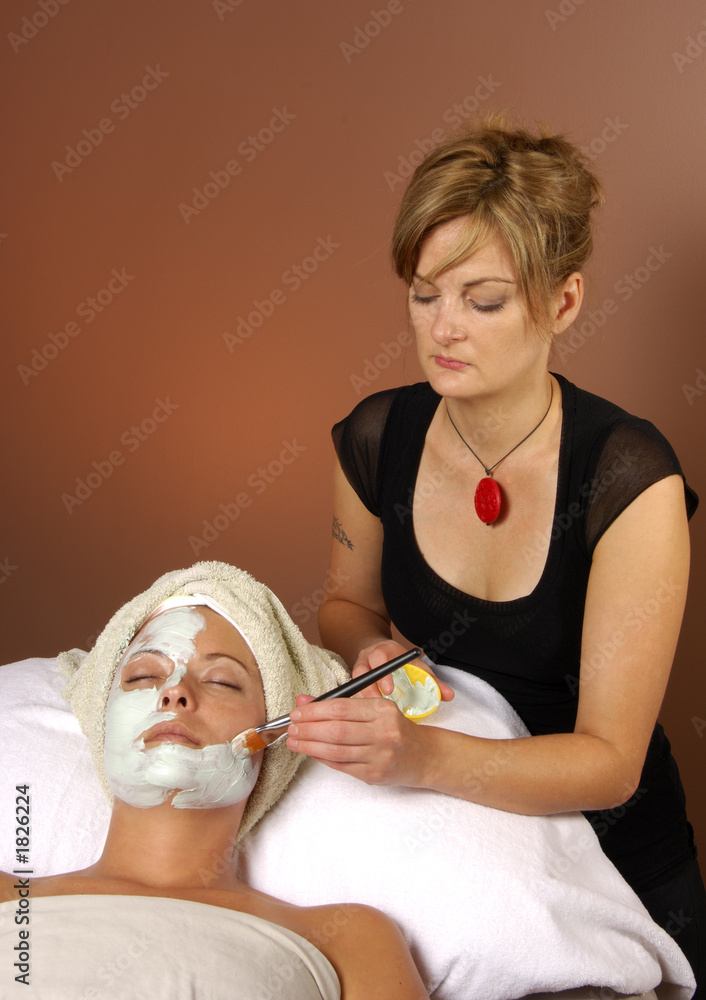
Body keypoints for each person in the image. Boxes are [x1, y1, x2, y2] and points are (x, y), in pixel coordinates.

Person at [284, 114, 706, 990]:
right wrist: (369, 649)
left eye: (483, 301)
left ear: (563, 302)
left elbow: (609, 762)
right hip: (462, 844)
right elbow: (345, 603)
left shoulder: (630, 478)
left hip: (613, 859)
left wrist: (420, 757)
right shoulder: (377, 437)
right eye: (423, 294)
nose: (444, 329)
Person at [0, 562, 427, 999]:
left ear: (272, 738)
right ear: (101, 717)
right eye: (143, 675)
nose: (174, 692)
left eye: (222, 681)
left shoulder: (347, 940)